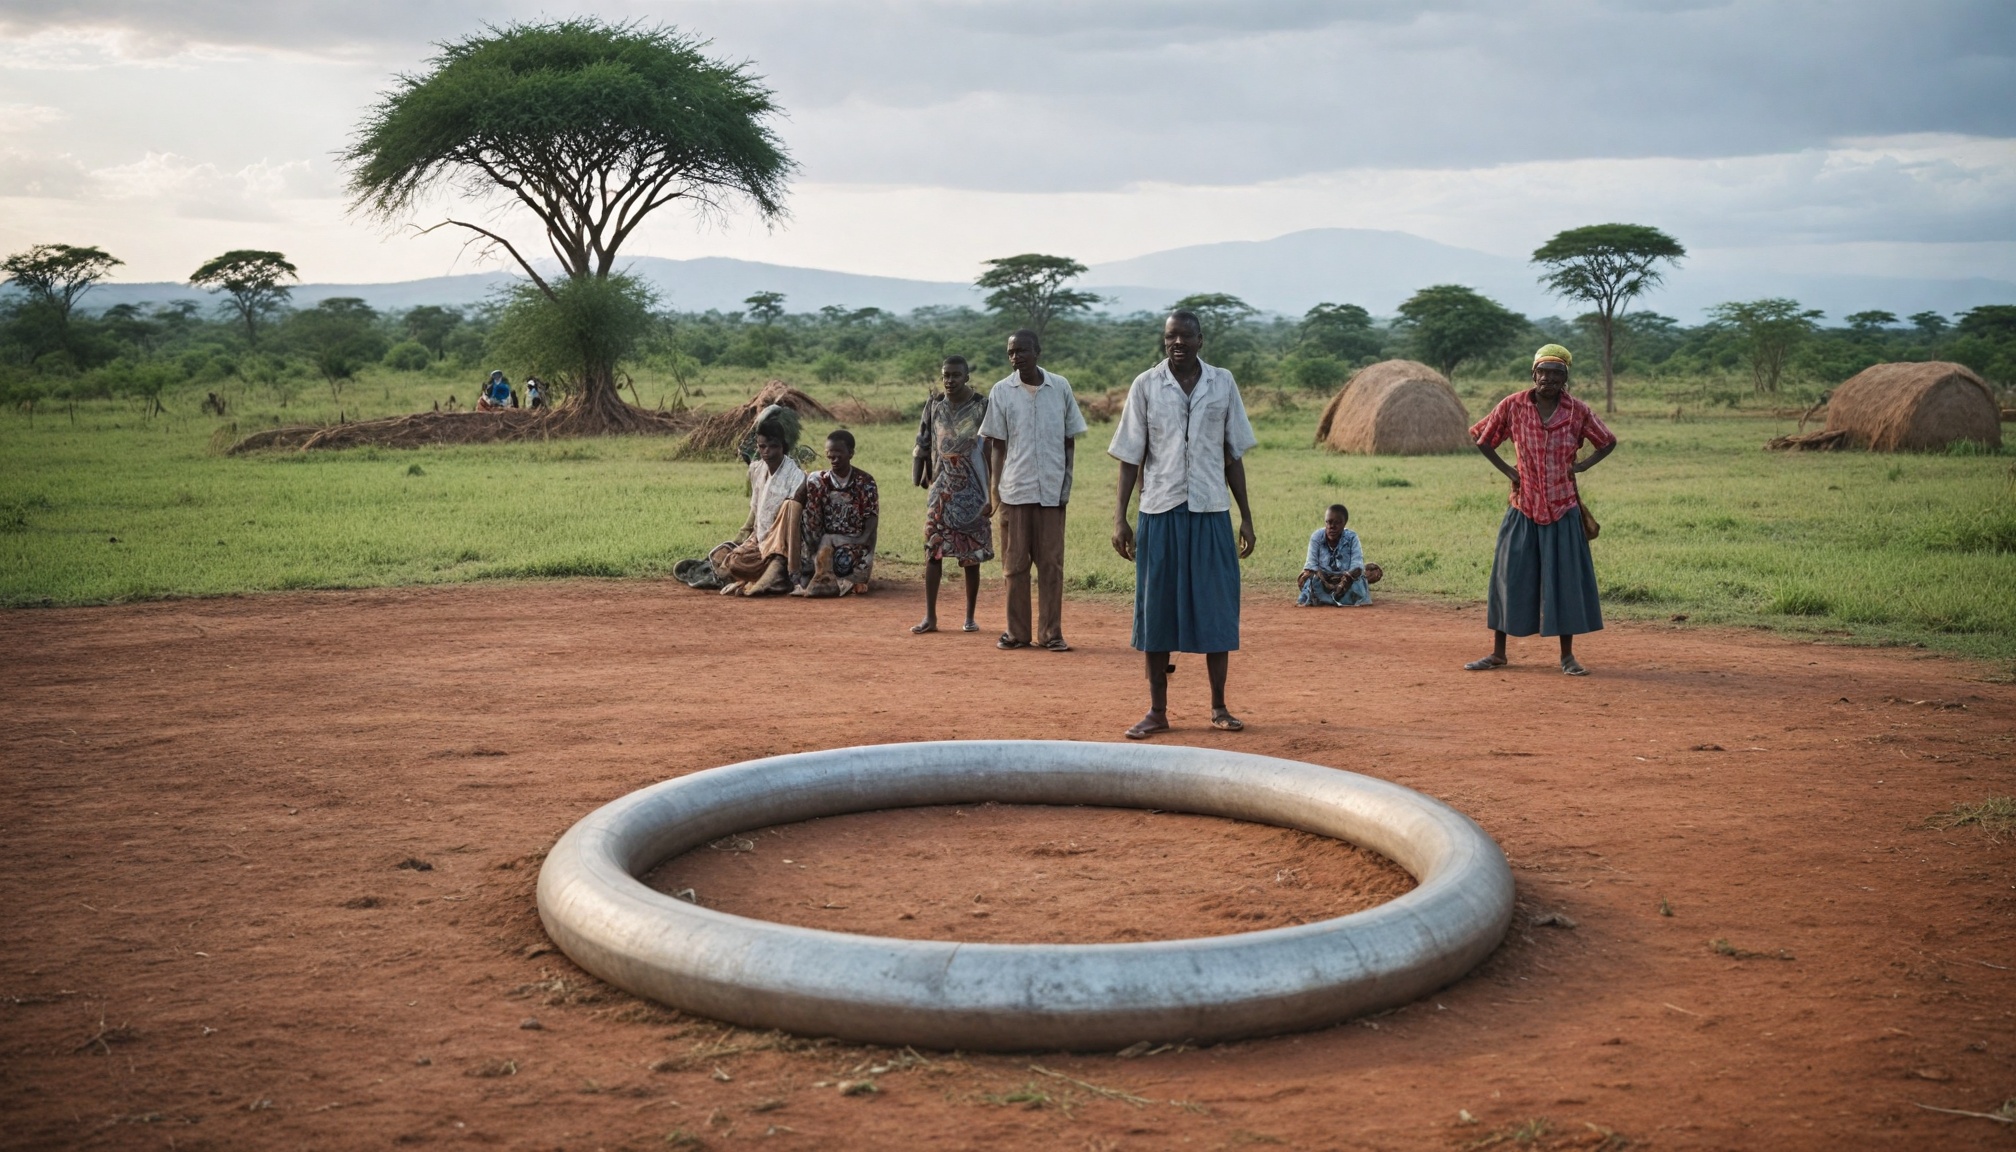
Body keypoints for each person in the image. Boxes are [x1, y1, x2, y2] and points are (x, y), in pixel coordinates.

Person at [1110, 310, 1258, 739]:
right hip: (1159, 511)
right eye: (1170, 337)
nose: (1178, 343)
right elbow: (1129, 458)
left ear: (1200, 339)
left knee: (1217, 609)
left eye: (1186, 336)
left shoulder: (1223, 383)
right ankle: (1157, 711)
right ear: (1164, 341)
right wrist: (1120, 518)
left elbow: (1234, 455)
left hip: (1211, 512)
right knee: (1156, 613)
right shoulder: (1146, 385)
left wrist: (1246, 516)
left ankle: (1219, 706)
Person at [1465, 344, 1616, 675]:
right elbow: (1483, 439)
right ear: (1533, 374)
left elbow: (1607, 440)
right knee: (1509, 578)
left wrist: (1584, 466)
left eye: (1556, 373)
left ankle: (1567, 657)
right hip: (1524, 506)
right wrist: (1510, 472)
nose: (1548, 378)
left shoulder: (1578, 411)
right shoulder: (1514, 405)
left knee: (1566, 581)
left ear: (1566, 378)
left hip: (1563, 507)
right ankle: (1498, 653)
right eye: (1543, 372)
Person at [979, 329, 1087, 651]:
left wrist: (1066, 482)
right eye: (1011, 352)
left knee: (1051, 565)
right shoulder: (1002, 391)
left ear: (1037, 351)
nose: (1016, 357)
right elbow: (997, 445)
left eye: (1022, 351)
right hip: (1015, 490)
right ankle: (1017, 633)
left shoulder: (1060, 387)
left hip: (1052, 492)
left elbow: (1069, 440)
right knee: (1014, 566)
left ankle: (1051, 634)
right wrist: (995, 491)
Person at [911, 355, 992, 633]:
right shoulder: (934, 405)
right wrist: (920, 472)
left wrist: (993, 491)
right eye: (946, 375)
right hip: (941, 487)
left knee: (971, 556)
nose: (950, 380)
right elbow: (923, 440)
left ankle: (969, 617)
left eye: (956, 375)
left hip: (973, 489)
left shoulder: (983, 406)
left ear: (967, 377)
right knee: (932, 550)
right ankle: (930, 617)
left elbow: (992, 449)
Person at [703, 407, 807, 596]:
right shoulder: (757, 470)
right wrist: (746, 537)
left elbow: (794, 518)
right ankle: (767, 579)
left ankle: (780, 572)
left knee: (789, 506)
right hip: (759, 541)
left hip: (784, 544)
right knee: (731, 562)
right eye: (762, 446)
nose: (767, 451)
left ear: (783, 446)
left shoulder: (795, 476)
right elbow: (757, 508)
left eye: (772, 446)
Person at [790, 429, 879, 596]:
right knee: (808, 506)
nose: (834, 460)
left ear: (851, 453)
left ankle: (828, 577)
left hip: (851, 541)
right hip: (821, 541)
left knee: (841, 564)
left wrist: (858, 541)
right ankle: (813, 569)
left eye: (839, 455)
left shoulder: (865, 482)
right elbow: (800, 507)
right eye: (830, 455)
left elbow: (871, 519)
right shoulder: (818, 479)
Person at [1299, 504, 1372, 606]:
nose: (1331, 527)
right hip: (1323, 579)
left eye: (1337, 523)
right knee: (1308, 579)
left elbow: (1357, 565)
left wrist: (1344, 582)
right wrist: (1324, 582)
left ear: (1344, 523)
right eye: (1328, 522)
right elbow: (1311, 565)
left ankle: (1329, 598)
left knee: (1358, 580)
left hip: (1346, 579)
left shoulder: (1352, 538)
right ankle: (1330, 598)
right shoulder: (1316, 537)